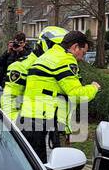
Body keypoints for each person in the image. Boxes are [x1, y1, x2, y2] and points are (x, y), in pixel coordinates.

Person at [19, 28, 100, 162]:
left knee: (34, 166)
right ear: (74, 47)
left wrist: (66, 130)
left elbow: (56, 94)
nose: (82, 57)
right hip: (45, 123)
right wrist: (93, 88)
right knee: (50, 168)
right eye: (83, 52)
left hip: (29, 119)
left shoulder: (48, 56)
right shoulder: (65, 59)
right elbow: (76, 94)